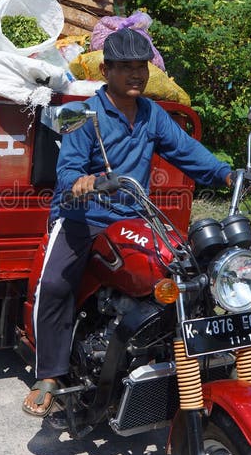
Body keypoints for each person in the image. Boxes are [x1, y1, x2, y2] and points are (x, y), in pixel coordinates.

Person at [23, 27, 233, 416]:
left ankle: (187, 355)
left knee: (187, 268)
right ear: (106, 70)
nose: (136, 75)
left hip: (133, 215)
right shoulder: (80, 113)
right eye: (125, 68)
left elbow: (187, 151)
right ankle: (49, 374)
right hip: (81, 217)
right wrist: (81, 182)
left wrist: (225, 174)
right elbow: (67, 167)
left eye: (142, 68)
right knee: (54, 284)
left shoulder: (153, 114)